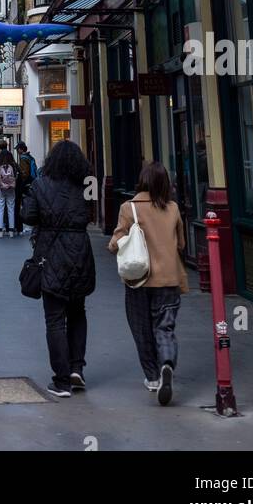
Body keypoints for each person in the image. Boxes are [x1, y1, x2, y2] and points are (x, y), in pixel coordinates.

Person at [109, 161, 188, 406]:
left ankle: (153, 377)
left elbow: (116, 242)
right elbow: (181, 245)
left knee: (141, 328)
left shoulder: (128, 208)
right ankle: (166, 362)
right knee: (164, 327)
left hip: (138, 280)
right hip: (168, 278)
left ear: (142, 181)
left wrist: (117, 244)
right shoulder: (173, 208)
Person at [22, 139, 96, 398]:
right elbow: (92, 212)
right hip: (80, 251)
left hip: (51, 254)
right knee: (78, 311)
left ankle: (62, 380)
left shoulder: (40, 184)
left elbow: (28, 217)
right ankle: (77, 368)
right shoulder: (88, 182)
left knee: (54, 319)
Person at [15, 139, 37, 235]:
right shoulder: (30, 157)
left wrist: (21, 184)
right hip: (31, 182)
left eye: (17, 149)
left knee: (23, 205)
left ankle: (23, 225)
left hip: (25, 184)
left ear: (21, 149)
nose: (17, 151)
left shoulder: (23, 158)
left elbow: (24, 173)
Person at [0, 148, 18, 238]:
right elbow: (17, 175)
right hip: (11, 189)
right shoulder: (13, 165)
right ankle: (11, 231)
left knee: (0, 208)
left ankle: (0, 230)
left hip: (0, 188)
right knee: (11, 208)